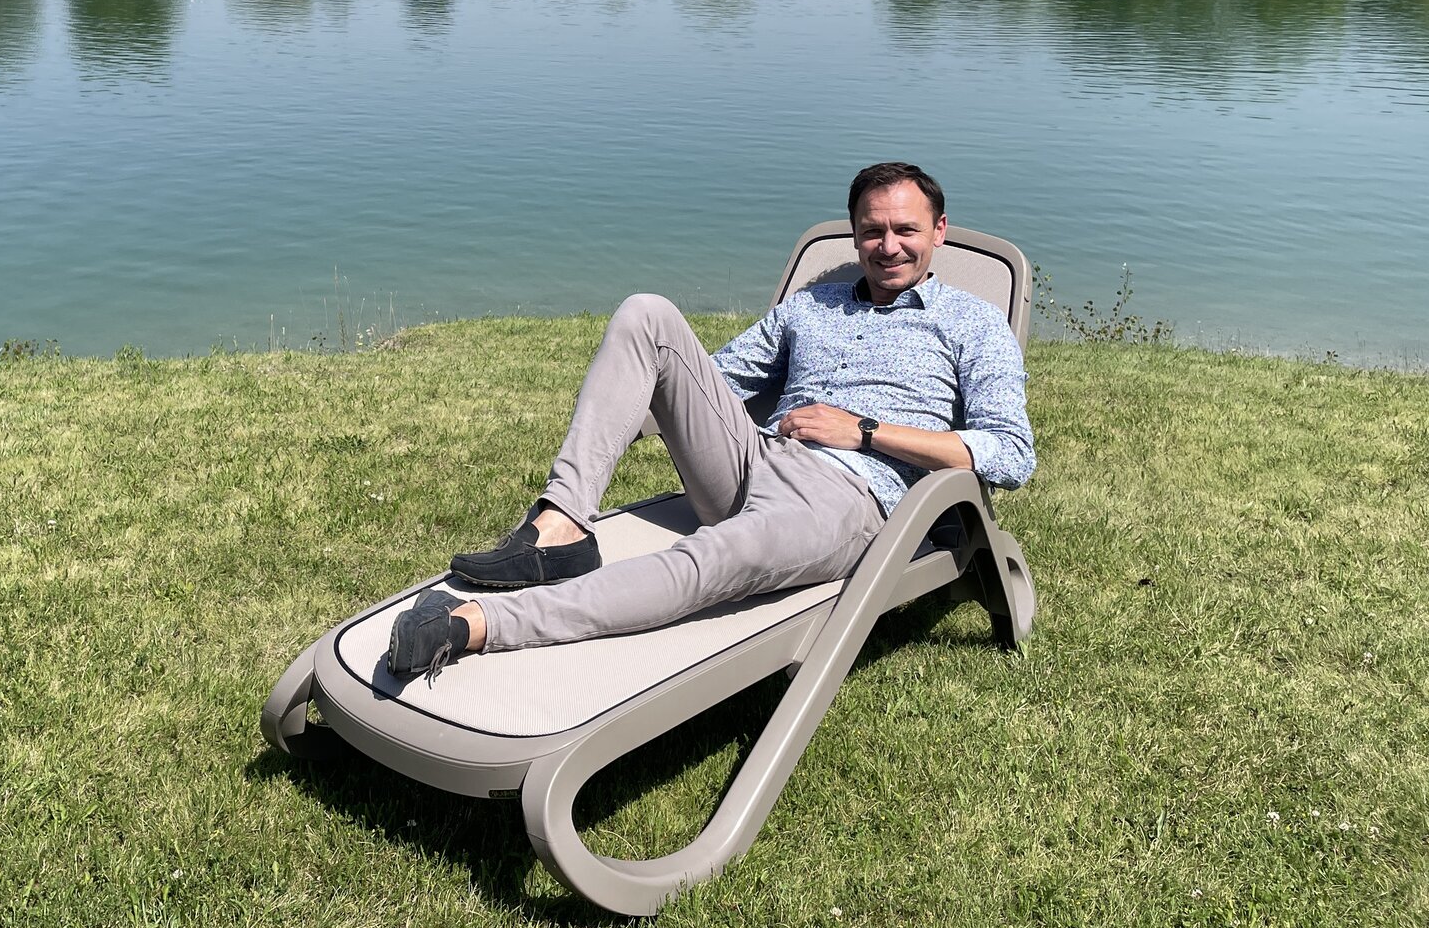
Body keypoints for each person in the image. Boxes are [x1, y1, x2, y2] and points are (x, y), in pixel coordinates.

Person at [385, 162, 1036, 677]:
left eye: (906, 231)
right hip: (753, 458)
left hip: (849, 498)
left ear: (939, 230)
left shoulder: (970, 323)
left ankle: (477, 624)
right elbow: (712, 377)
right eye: (872, 231)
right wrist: (639, 405)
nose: (888, 246)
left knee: (706, 562)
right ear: (855, 232)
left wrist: (862, 431)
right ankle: (560, 523)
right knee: (648, 315)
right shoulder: (812, 306)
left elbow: (1010, 454)